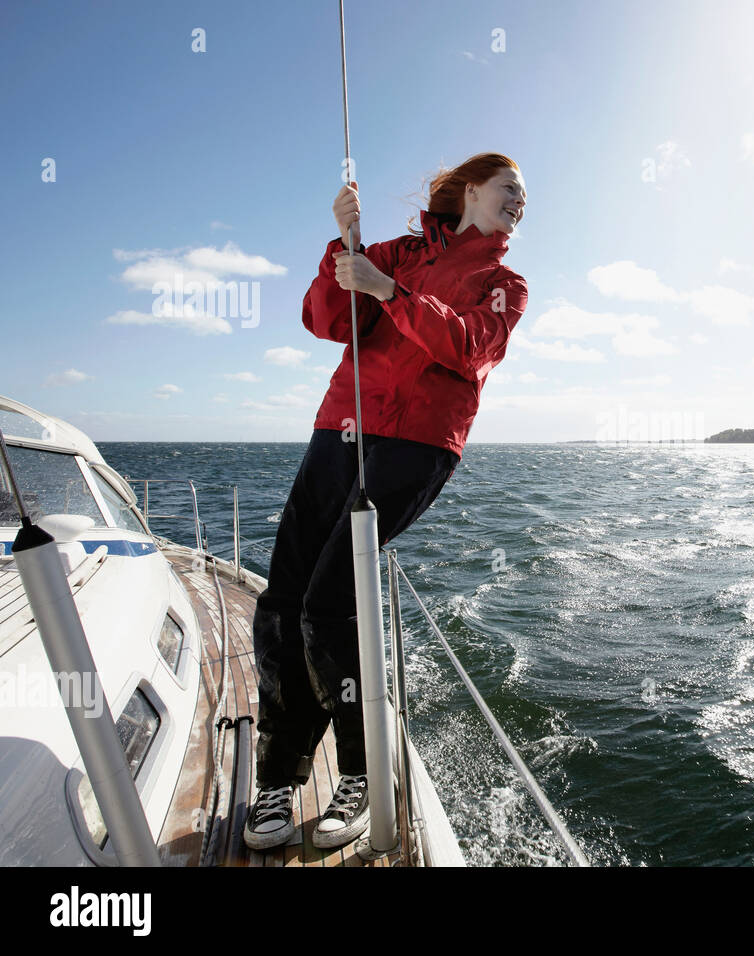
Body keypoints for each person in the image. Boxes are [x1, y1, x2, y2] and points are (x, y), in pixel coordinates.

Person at [243, 152, 528, 851]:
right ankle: (278, 777)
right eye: (510, 189)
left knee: (330, 602)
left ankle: (362, 774)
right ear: (469, 190)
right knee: (283, 604)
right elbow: (325, 321)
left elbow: (468, 350)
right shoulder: (396, 253)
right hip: (340, 424)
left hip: (419, 441)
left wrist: (391, 294)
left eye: (525, 196)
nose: (521, 202)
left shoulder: (504, 283)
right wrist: (341, 250)